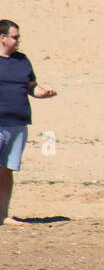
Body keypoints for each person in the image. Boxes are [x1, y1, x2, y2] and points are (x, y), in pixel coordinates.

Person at [0, 20, 58, 227]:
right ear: (2, 38)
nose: (18, 41)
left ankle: (3, 215)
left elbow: (31, 87)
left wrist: (44, 93)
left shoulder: (22, 60)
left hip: (18, 124)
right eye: (14, 37)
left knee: (6, 171)